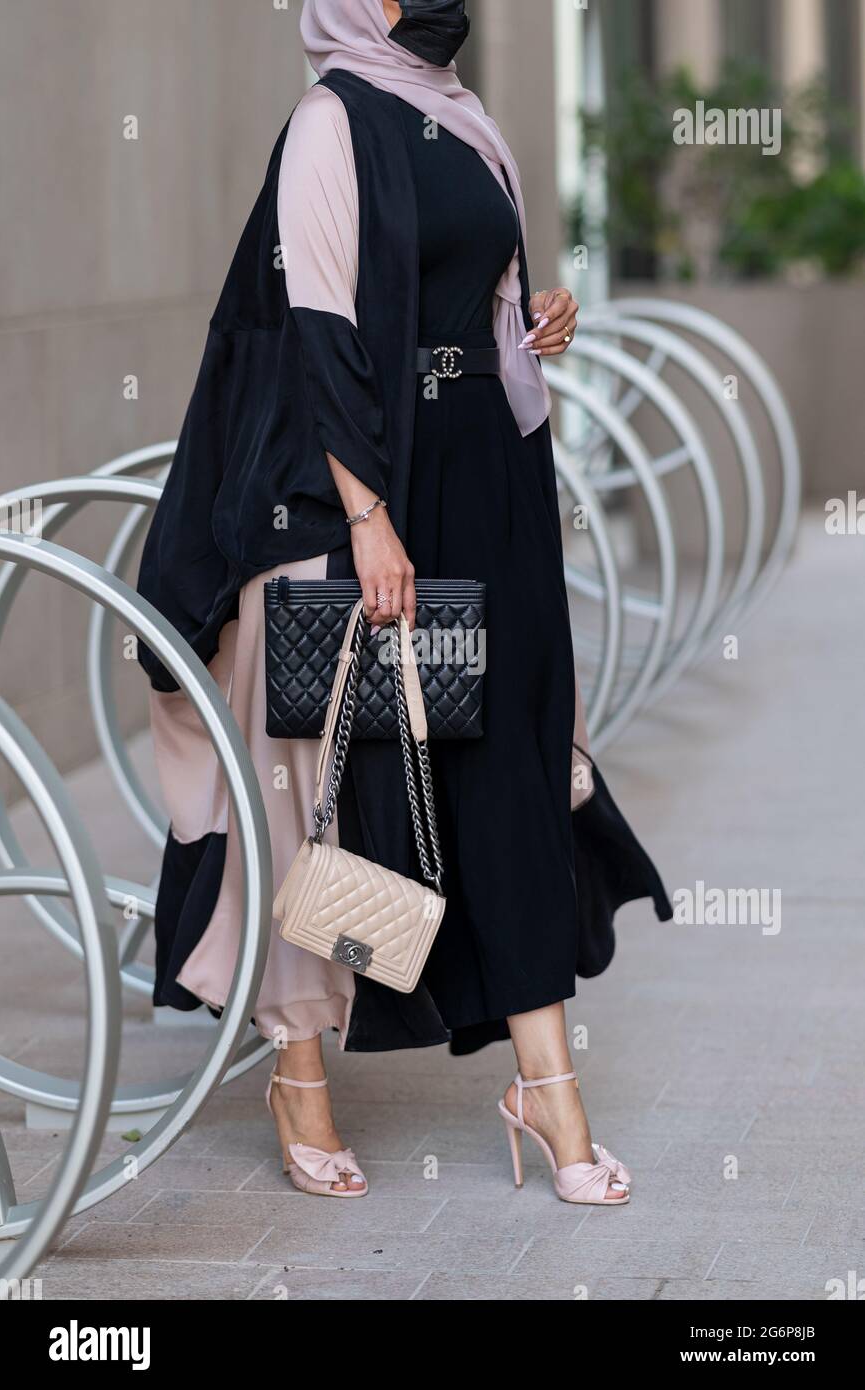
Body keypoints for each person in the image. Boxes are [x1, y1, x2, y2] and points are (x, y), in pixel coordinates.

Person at [137, 0, 671, 1203]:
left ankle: (545, 1091)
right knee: (329, 784)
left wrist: (536, 323)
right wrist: (370, 518)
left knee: (512, 772)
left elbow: (480, 298)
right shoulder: (329, 123)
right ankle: (299, 1070)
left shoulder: (466, 118)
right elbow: (321, 334)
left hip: (489, 477)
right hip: (368, 492)